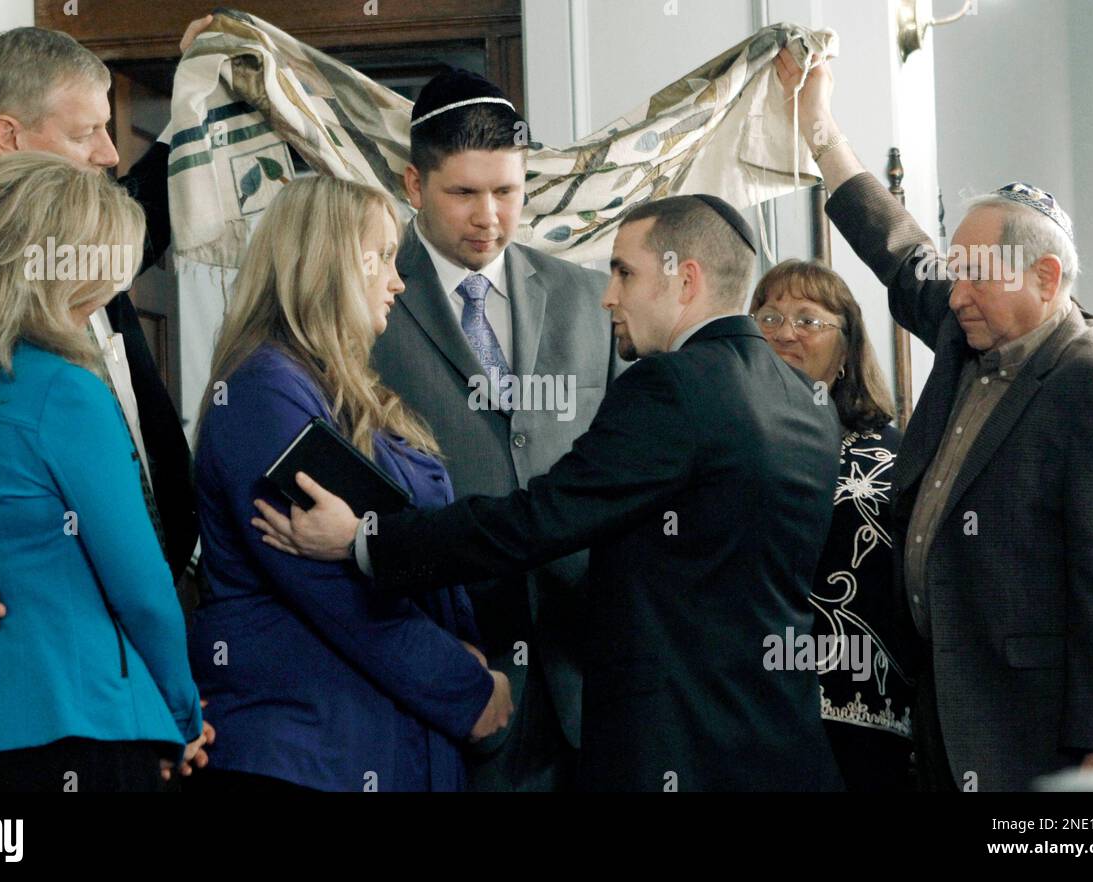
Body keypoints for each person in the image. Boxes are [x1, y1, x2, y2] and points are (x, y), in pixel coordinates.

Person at [265, 194, 845, 792]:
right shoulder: (810, 403)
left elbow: (539, 518)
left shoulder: (672, 385)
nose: (607, 296)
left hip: (679, 751)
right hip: (787, 746)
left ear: (686, 279)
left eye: (625, 272)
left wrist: (368, 540)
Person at [776, 47, 1093, 791]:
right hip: (942, 710)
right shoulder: (971, 320)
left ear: (1046, 279)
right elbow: (895, 246)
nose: (953, 296)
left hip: (1029, 727)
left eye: (973, 279)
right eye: (954, 276)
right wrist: (820, 128)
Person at [0, 20, 211, 647]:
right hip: (18, 647)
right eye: (87, 133)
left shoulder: (83, 235)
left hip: (159, 609)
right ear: (9, 135)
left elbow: (146, 208)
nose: (110, 154)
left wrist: (201, 81)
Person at [334, 68, 621, 791]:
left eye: (508, 192)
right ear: (412, 184)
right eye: (463, 193)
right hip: (439, 669)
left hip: (585, 676)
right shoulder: (356, 301)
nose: (489, 215)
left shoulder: (590, 299)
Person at [0, 152, 207, 792]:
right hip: (71, 732)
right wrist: (182, 714)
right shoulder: (65, 390)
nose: (117, 286)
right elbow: (143, 590)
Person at [188, 176, 512, 792]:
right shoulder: (263, 390)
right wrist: (464, 686)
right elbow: (337, 594)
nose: (397, 281)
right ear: (328, 261)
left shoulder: (341, 390)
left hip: (366, 746)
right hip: (302, 754)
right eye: (383, 257)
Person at [750, 259, 915, 791]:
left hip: (862, 714)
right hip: (744, 710)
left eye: (807, 319)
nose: (784, 333)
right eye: (769, 318)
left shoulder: (893, 459)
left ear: (846, 350)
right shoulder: (721, 441)